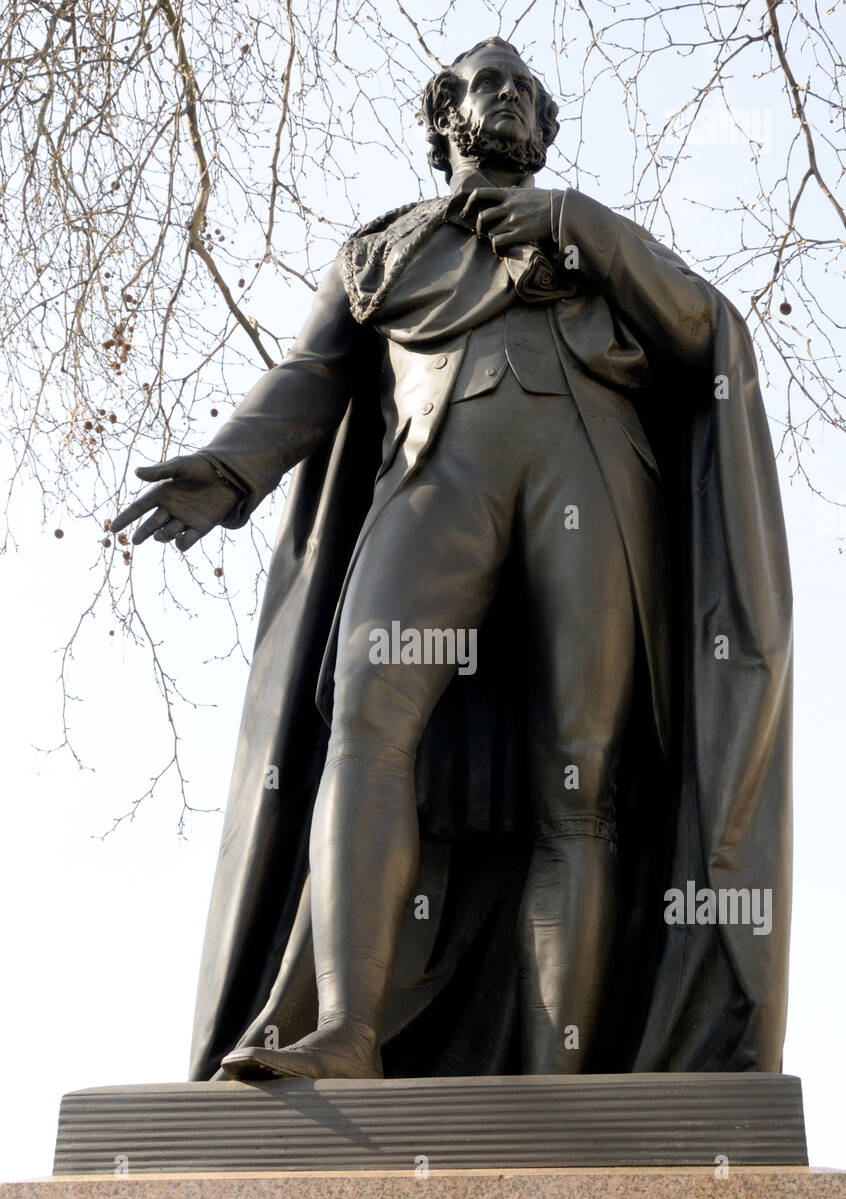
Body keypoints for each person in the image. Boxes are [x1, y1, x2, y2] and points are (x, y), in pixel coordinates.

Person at [113, 38, 792, 1083]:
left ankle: (558, 1077)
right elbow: (314, 371)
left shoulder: (597, 243)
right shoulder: (383, 250)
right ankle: (346, 1028)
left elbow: (706, 332)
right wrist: (230, 468)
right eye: (489, 83)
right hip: (437, 476)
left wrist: (582, 226)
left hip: (595, 478)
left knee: (584, 777)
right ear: (446, 119)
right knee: (365, 718)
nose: (511, 96)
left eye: (525, 87)